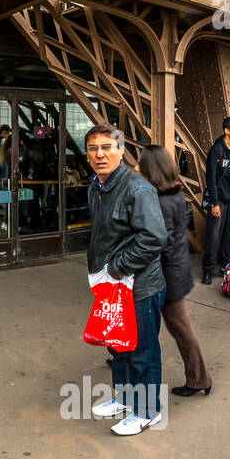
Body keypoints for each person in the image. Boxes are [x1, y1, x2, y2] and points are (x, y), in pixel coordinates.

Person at [81, 125, 168, 437]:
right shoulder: (97, 186)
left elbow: (154, 239)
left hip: (139, 285)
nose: (100, 154)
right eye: (93, 148)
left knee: (143, 350)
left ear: (120, 151)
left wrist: (116, 267)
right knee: (118, 346)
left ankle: (148, 412)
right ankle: (125, 398)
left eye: (107, 147)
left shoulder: (137, 189)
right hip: (112, 285)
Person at [140, 144, 212, 401]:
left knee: (180, 329)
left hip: (167, 275)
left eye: (141, 164)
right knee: (178, 327)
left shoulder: (157, 201)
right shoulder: (175, 196)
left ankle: (199, 377)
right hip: (177, 271)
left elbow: (162, 243)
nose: (137, 168)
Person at [202, 116, 230, 277]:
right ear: (226, 130)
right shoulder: (216, 150)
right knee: (213, 236)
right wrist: (214, 203)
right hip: (218, 200)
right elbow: (211, 178)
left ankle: (226, 267)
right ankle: (207, 270)